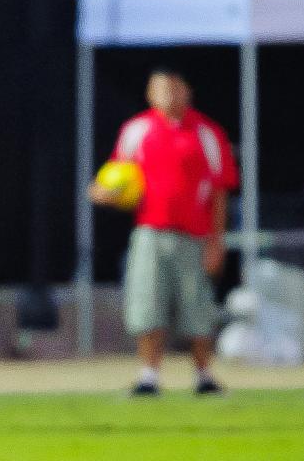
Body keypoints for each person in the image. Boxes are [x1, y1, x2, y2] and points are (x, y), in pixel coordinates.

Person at [89, 68, 238, 395]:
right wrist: (103, 193)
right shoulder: (136, 131)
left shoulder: (206, 133)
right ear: (150, 94)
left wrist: (216, 241)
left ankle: (204, 375)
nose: (170, 95)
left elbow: (219, 191)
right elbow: (118, 179)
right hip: (150, 232)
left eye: (176, 88)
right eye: (162, 89)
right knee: (147, 305)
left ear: (187, 91)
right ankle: (148, 376)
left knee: (197, 309)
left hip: (194, 235)